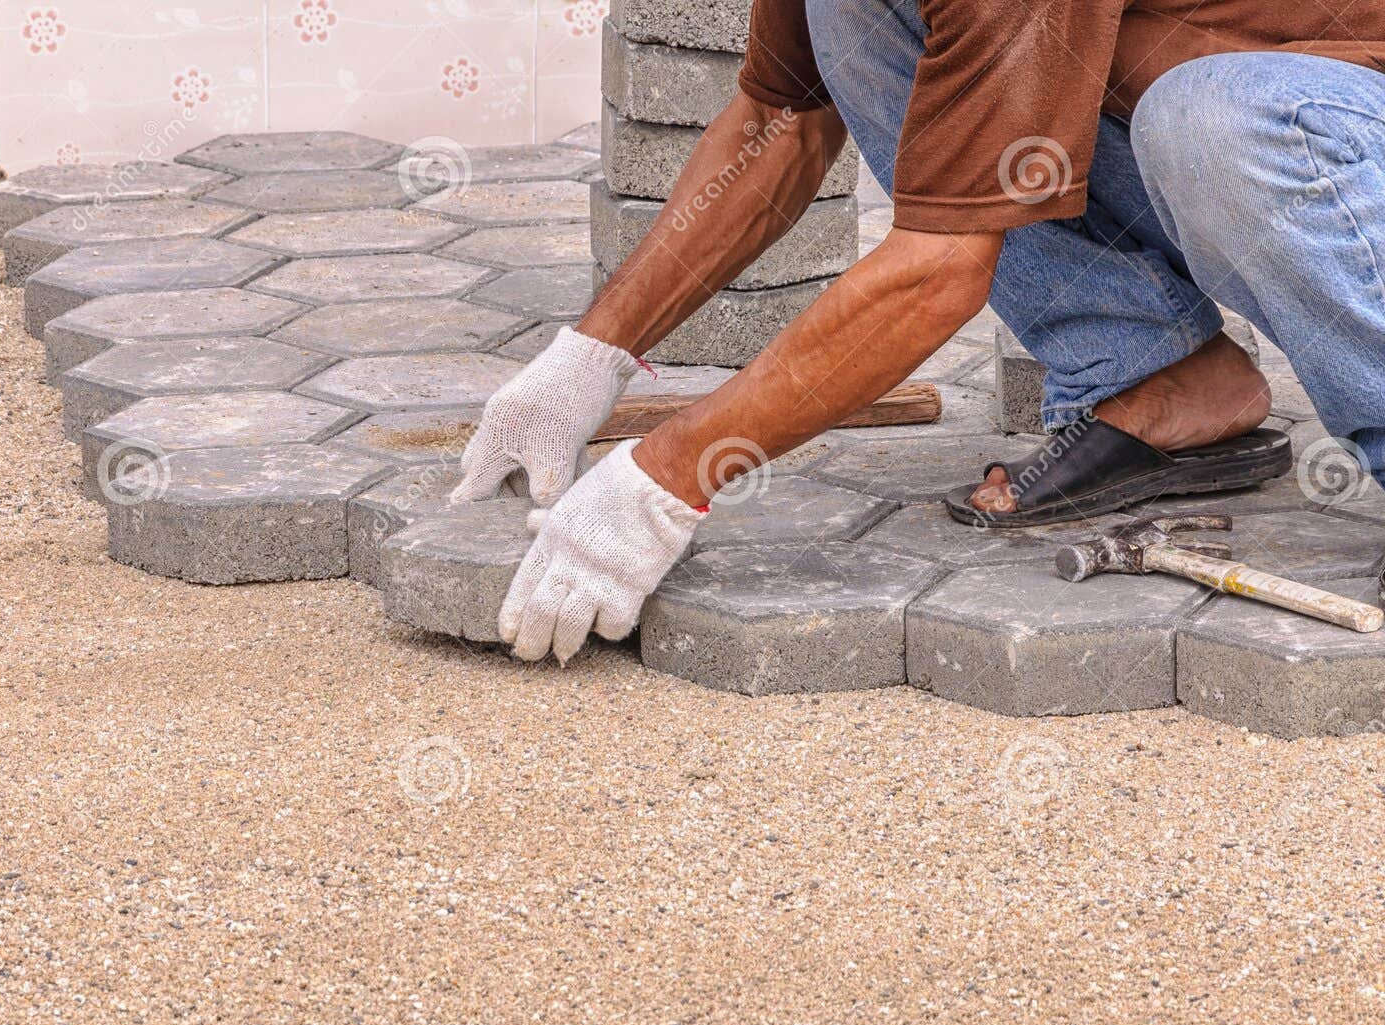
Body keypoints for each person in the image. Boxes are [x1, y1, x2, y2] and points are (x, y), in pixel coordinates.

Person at [454, 0, 1385, 663]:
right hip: (1251, 129)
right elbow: (782, 122)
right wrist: (589, 358)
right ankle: (1164, 373)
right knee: (852, 11)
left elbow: (939, 270)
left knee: (1215, 120)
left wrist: (664, 479)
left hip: (1336, 130)